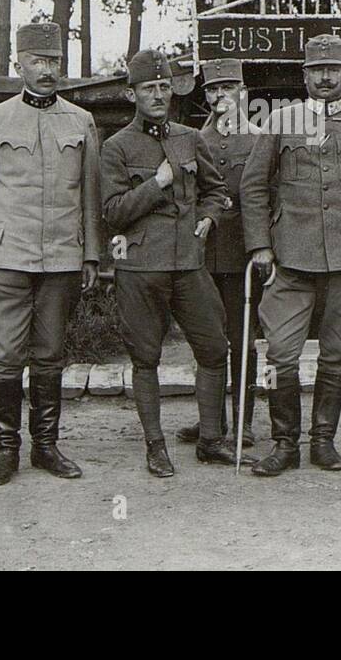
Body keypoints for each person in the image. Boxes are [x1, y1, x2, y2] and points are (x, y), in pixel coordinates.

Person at [241, 32, 341, 477]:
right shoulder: (281, 122)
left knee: (336, 354)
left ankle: (323, 442)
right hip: (290, 258)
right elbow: (253, 187)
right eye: (316, 70)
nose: (325, 78)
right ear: (303, 75)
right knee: (281, 354)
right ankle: (284, 443)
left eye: (333, 70)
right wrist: (260, 246)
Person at [0, 22, 102, 486]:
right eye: (38, 62)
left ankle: (46, 446)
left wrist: (91, 256)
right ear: (18, 64)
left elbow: (90, 196)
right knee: (5, 357)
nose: (47, 70)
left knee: (50, 355)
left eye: (55, 61)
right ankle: (5, 451)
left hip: (62, 257)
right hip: (8, 257)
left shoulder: (80, 122)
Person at [100, 48, 242, 477]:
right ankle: (155, 446)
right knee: (146, 358)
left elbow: (217, 191)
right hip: (142, 268)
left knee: (215, 349)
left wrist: (208, 218)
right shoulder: (116, 147)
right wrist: (158, 184)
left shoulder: (188, 137)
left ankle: (211, 440)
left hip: (189, 264)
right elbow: (112, 211)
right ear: (132, 94)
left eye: (164, 86)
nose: (158, 95)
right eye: (149, 88)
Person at [176, 58, 263, 448]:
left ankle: (243, 421)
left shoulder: (261, 138)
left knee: (243, 340)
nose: (220, 96)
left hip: (242, 252)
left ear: (243, 92)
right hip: (203, 253)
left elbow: (265, 198)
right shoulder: (194, 140)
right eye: (213, 89)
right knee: (208, 340)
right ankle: (211, 421)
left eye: (228, 88)